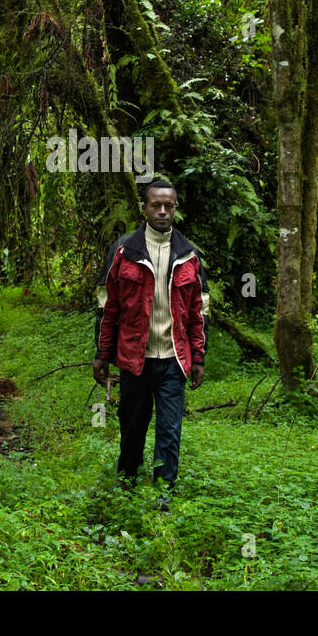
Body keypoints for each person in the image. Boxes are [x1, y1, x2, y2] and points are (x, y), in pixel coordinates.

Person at [92, 178, 208, 509]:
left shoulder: (189, 256)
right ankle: (127, 484)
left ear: (175, 209)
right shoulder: (124, 251)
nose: (161, 211)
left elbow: (199, 312)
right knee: (132, 426)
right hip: (134, 358)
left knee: (169, 431)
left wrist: (197, 358)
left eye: (168, 206)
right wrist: (102, 354)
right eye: (155, 205)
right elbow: (107, 307)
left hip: (174, 359)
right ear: (144, 208)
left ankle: (163, 493)